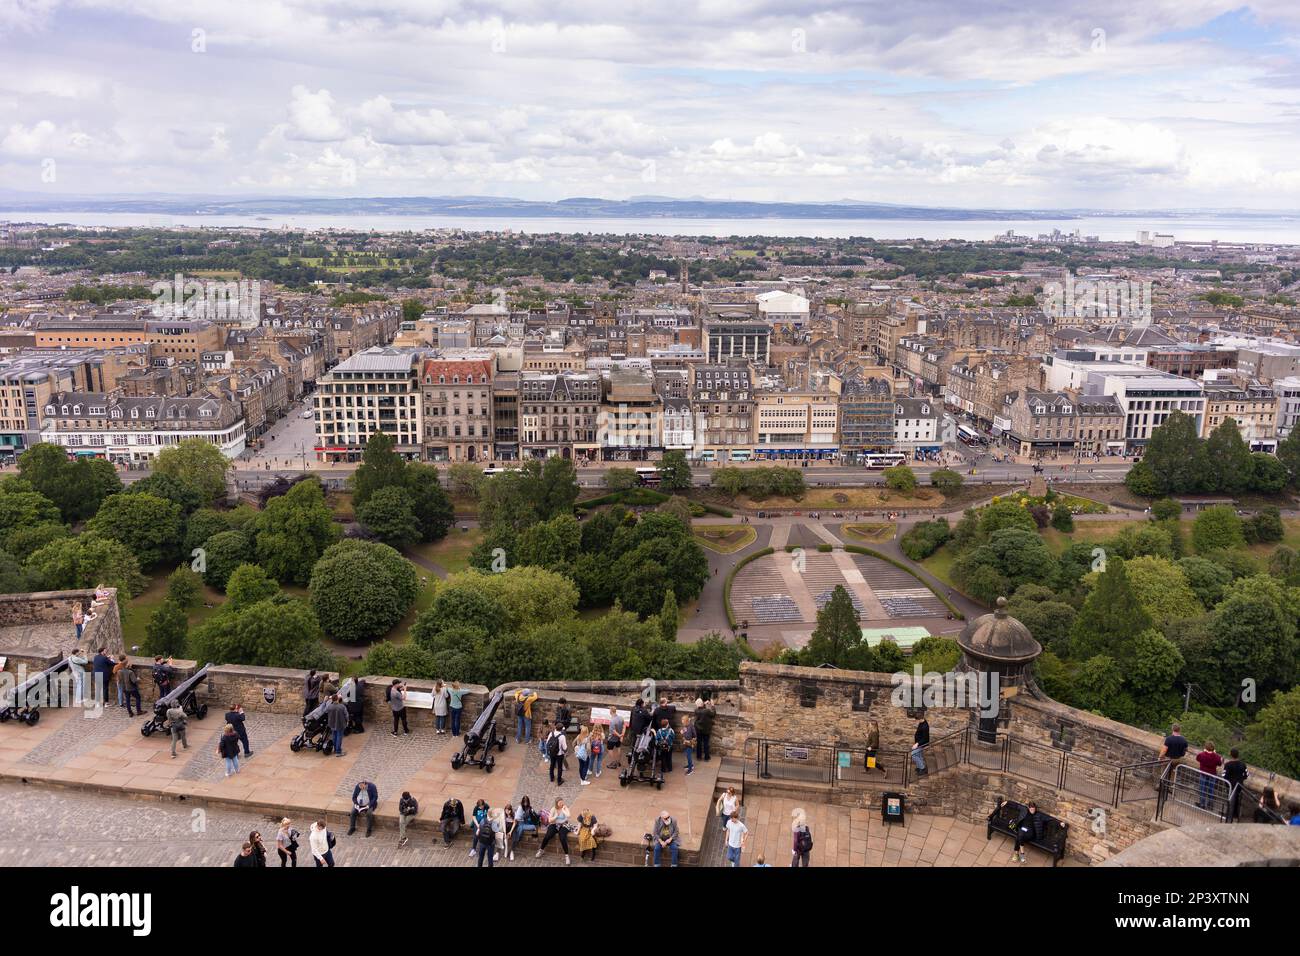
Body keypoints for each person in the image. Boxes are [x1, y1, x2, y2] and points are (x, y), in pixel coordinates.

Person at [536, 798, 571, 864]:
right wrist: (556, 816)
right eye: (560, 803)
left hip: (563, 825)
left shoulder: (565, 808)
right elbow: (550, 820)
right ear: (556, 803)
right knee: (548, 835)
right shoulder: (553, 809)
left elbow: (568, 815)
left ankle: (567, 855)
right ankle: (541, 850)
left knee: (562, 838)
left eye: (562, 802)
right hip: (554, 824)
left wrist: (564, 810)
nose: (561, 804)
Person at [1195, 740, 1223, 809]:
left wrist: (1204, 752)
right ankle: (1210, 805)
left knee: (1202, 789)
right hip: (1212, 775)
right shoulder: (1216, 757)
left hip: (1203, 773)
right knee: (1211, 790)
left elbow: (1197, 758)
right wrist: (1215, 754)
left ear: (1206, 747)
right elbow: (1220, 763)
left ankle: (1202, 804)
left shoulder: (1202, 754)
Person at [1223, 749, 1248, 821]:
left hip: (1230, 785)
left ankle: (1229, 814)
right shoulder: (1243, 764)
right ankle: (1235, 814)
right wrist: (1241, 779)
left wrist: (1227, 782)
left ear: (1231, 755)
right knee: (1237, 800)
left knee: (1229, 799)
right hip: (1239, 785)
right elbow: (1246, 775)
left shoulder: (1228, 765)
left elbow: (1224, 775)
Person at [694, 698, 715, 762]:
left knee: (699, 743)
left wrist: (704, 704)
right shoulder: (707, 711)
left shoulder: (696, 710)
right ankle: (706, 757)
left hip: (698, 729)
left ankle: (699, 757)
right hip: (706, 730)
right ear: (702, 704)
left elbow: (701, 709)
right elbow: (713, 714)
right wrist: (713, 705)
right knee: (706, 743)